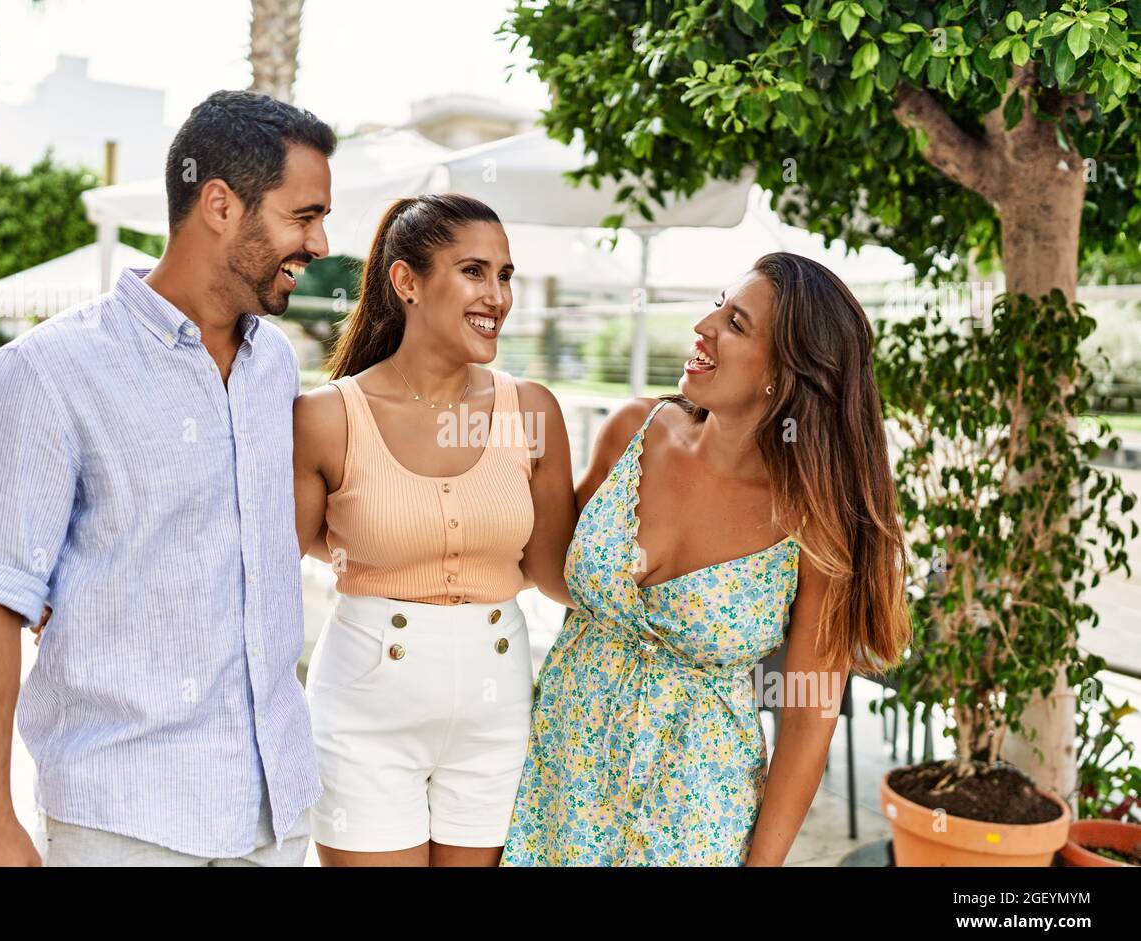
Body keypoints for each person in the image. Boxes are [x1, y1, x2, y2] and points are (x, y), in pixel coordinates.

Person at [0, 90, 335, 866]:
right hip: (124, 818)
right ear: (220, 204)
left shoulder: (275, 365)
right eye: (303, 214)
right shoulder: (45, 374)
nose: (319, 241)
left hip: (274, 813)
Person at [501, 252, 912, 866]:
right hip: (560, 784)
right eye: (718, 303)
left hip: (695, 815)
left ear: (785, 371)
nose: (704, 324)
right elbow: (559, 570)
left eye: (736, 323)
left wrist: (762, 865)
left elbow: (806, 718)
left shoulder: (813, 524)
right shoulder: (636, 430)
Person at [292, 193, 576, 866]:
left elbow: (555, 571)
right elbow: (295, 544)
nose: (498, 296)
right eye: (474, 271)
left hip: (496, 707)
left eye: (505, 275)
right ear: (407, 282)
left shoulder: (531, 410)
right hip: (364, 710)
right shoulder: (327, 417)